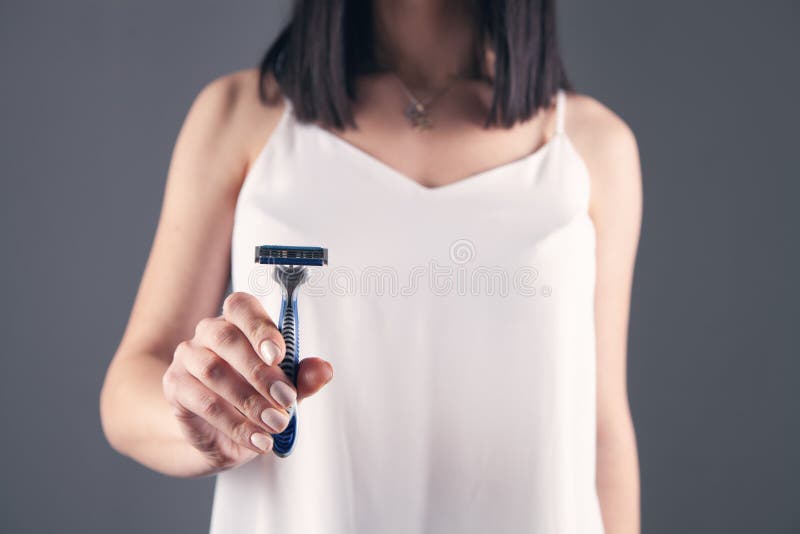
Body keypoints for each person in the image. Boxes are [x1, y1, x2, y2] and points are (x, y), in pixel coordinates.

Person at [100, 0, 642, 532]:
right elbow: (129, 392)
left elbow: (602, 433)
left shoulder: (593, 149)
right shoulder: (237, 117)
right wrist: (200, 415)